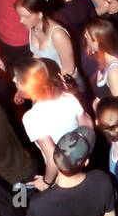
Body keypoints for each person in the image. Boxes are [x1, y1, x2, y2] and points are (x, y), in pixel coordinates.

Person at [11, 57, 94, 189]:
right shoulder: (68, 97)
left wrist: (46, 182)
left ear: (30, 87)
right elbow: (88, 124)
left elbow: (53, 159)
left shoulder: (31, 117)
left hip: (62, 176)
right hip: (82, 163)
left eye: (18, 78)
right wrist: (82, 154)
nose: (13, 79)